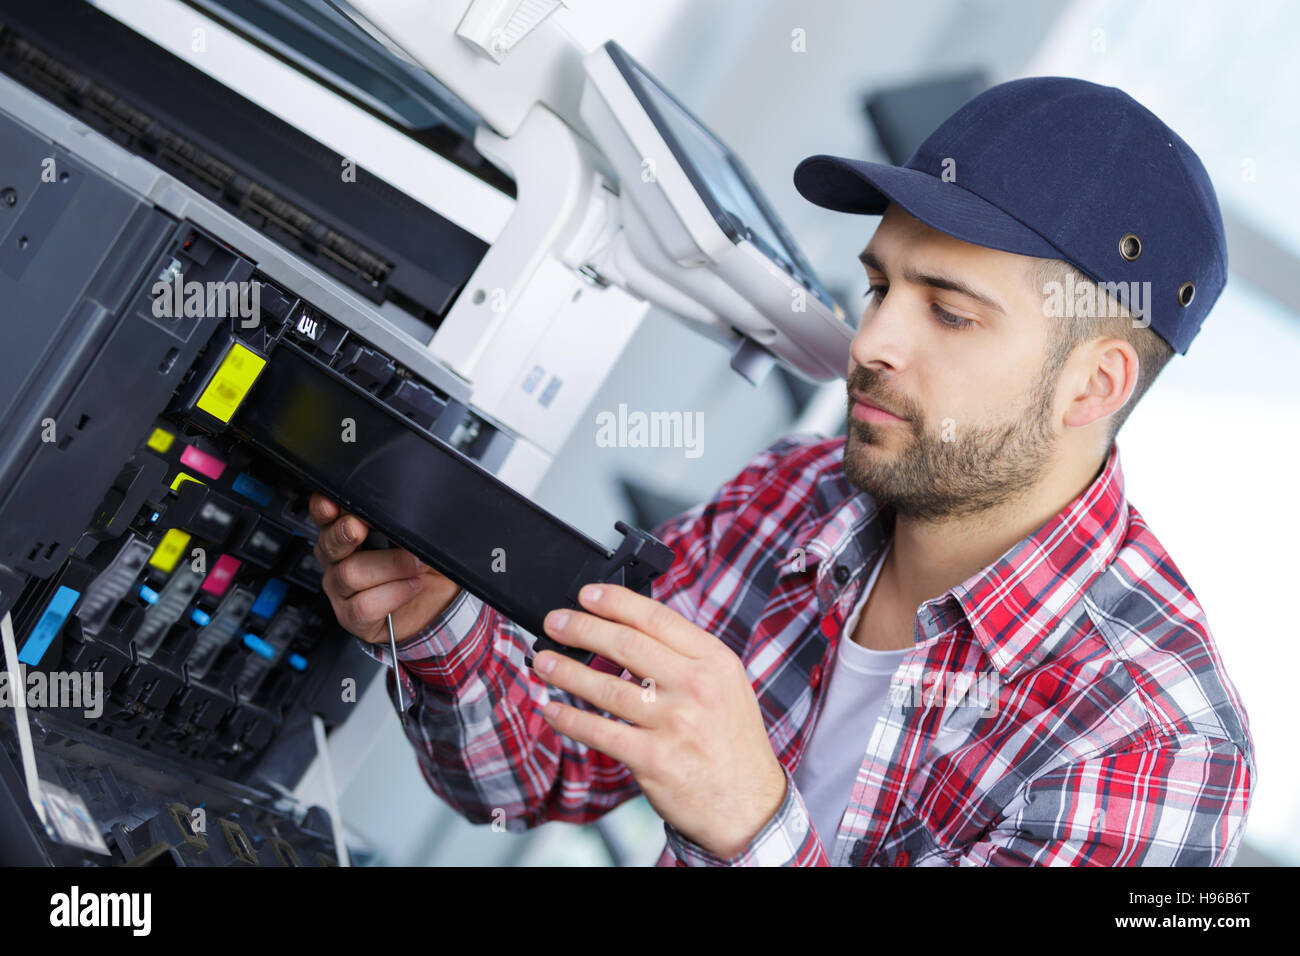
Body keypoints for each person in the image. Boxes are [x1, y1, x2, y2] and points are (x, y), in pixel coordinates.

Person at [308, 77, 1254, 866]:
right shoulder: (797, 493)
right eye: (881, 285)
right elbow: (542, 770)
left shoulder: (1161, 747)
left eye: (950, 313)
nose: (871, 341)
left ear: (1093, 385)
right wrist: (439, 618)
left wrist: (750, 825)